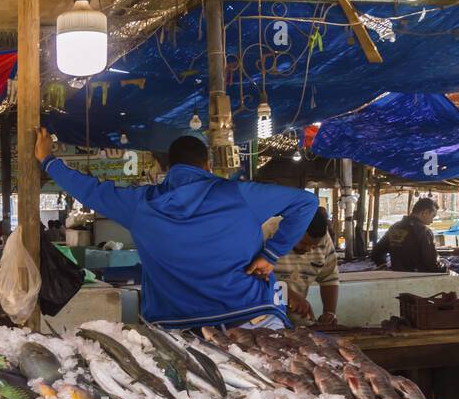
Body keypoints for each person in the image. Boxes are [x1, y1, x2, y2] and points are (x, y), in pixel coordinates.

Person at [37, 131, 317, 328]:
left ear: (169, 168)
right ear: (207, 165)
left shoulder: (141, 203)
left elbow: (90, 191)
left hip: (177, 328)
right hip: (252, 318)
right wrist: (270, 255)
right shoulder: (238, 193)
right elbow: (306, 203)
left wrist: (48, 160)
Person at [264, 206, 339, 325]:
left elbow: (329, 278)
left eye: (314, 246)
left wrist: (329, 312)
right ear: (293, 230)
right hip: (263, 318)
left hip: (297, 320)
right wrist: (286, 293)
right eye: (304, 243)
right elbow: (249, 273)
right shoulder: (267, 231)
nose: (308, 249)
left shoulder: (322, 237)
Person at [371, 197, 445, 273]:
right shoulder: (424, 231)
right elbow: (432, 264)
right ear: (425, 213)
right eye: (433, 216)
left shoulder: (395, 227)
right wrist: (445, 267)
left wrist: (384, 267)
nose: (432, 221)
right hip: (418, 279)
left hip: (396, 277)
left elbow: (376, 252)